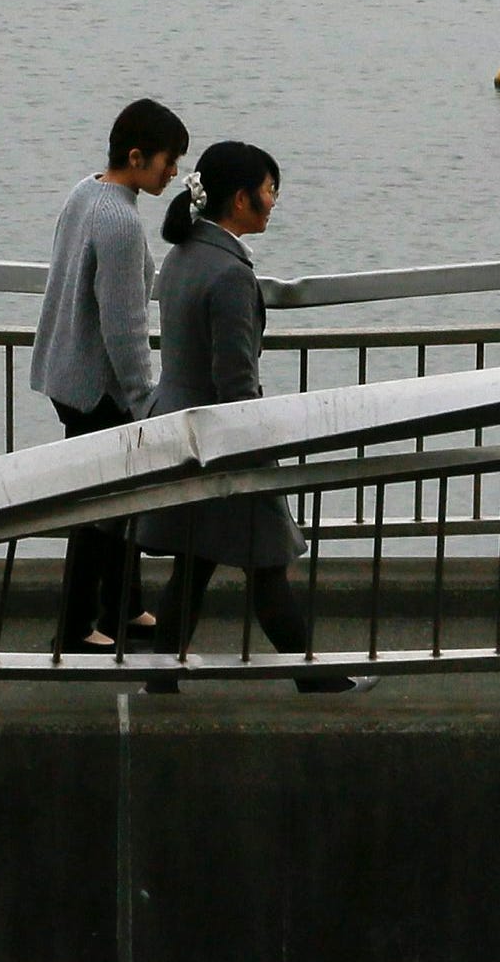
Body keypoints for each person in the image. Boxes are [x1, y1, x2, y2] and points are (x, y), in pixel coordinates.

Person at [135, 140, 367, 695]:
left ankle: (160, 679)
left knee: (194, 565)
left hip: (179, 425)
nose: (273, 201)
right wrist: (262, 448)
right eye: (269, 190)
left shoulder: (183, 255)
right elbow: (236, 377)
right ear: (241, 199)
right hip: (226, 440)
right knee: (266, 564)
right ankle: (317, 680)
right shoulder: (232, 275)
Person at [28, 97, 180, 653]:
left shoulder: (84, 191)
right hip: (98, 385)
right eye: (168, 162)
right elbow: (124, 325)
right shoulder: (119, 221)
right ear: (137, 157)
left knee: (119, 495)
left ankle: (125, 607)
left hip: (64, 369)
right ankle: (75, 628)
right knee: (101, 508)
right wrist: (144, 398)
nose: (173, 173)